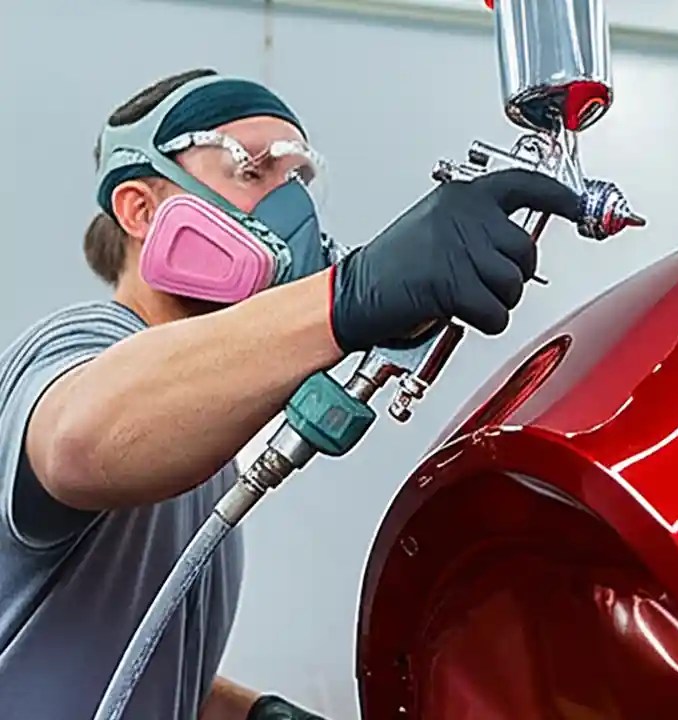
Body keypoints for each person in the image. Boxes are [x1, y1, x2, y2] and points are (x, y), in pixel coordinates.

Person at [0, 68, 580, 719]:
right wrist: (345, 297)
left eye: (298, 179)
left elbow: (122, 664)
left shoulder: (203, 448)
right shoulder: (80, 348)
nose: (289, 207)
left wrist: (250, 715)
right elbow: (78, 442)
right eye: (253, 172)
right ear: (141, 209)